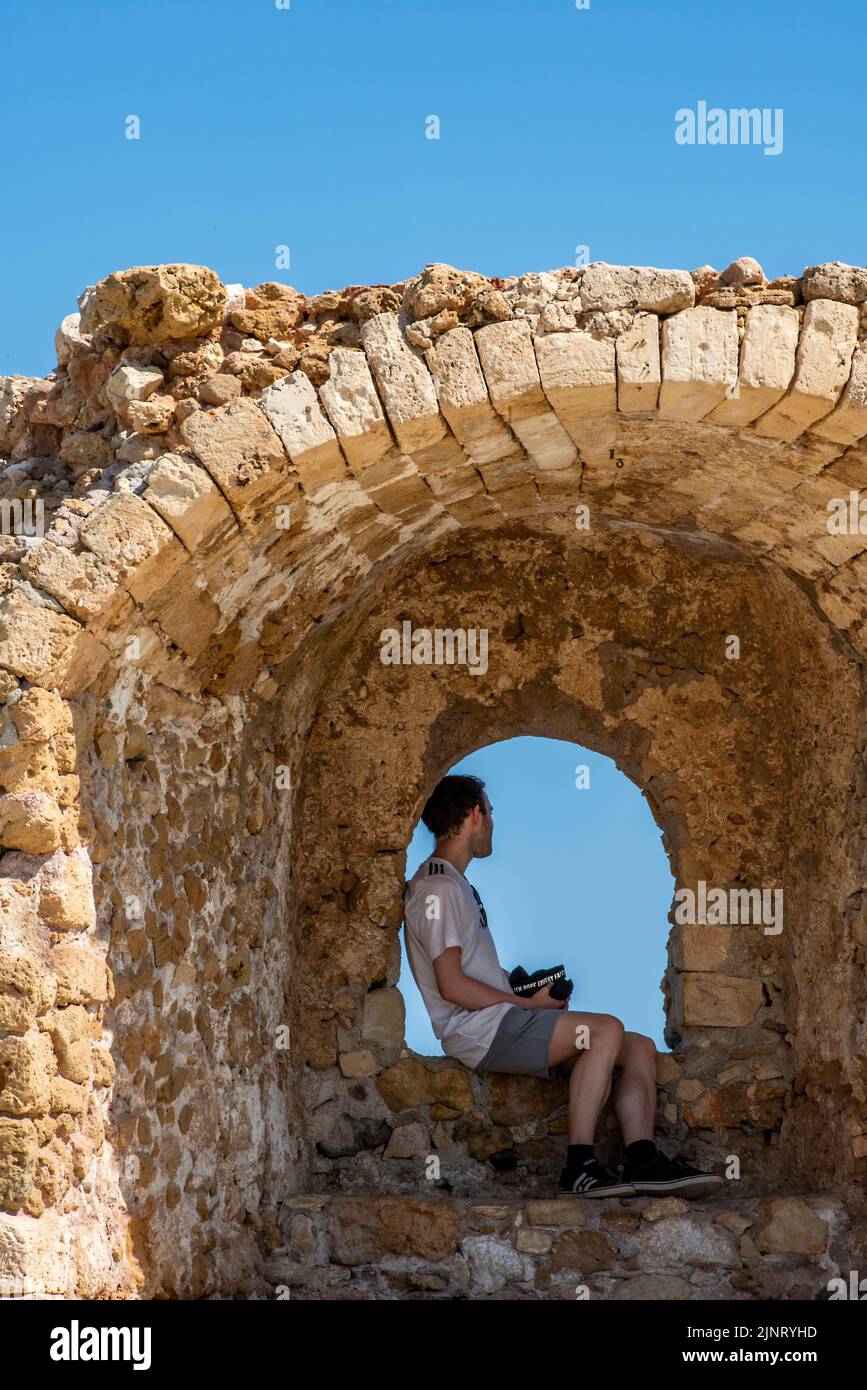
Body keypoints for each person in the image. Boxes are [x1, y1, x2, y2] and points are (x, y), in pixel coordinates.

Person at [402, 773, 724, 1200]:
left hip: (500, 1020)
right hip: (478, 1030)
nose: (494, 823)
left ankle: (642, 1160)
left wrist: (523, 991)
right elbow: (452, 984)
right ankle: (579, 1167)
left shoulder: (455, 886)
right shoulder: (438, 889)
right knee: (605, 1030)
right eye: (491, 813)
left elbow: (471, 975)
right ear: (476, 814)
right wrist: (524, 1002)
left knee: (639, 1048)